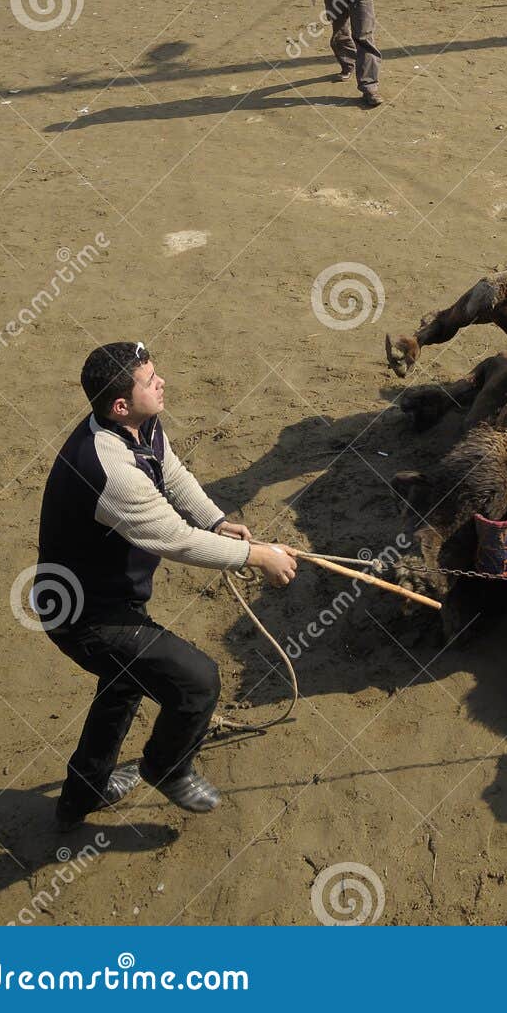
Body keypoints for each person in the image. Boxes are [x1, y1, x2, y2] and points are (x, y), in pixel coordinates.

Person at [37, 342, 298, 827]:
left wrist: (217, 521)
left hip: (108, 598)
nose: (162, 383)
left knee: (124, 684)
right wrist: (257, 555)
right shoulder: (108, 470)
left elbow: (172, 473)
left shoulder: (139, 424)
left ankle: (81, 795)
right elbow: (174, 540)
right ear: (120, 405)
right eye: (150, 379)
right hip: (84, 616)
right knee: (197, 681)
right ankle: (166, 767)